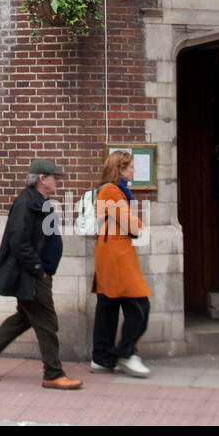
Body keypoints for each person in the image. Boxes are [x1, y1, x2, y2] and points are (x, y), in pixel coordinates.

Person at [0, 158, 82, 389]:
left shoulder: (40, 202)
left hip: (38, 273)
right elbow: (19, 242)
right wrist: (39, 270)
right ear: (42, 179)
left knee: (23, 319)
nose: (58, 181)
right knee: (47, 323)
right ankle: (53, 373)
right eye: (54, 177)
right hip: (31, 275)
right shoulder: (25, 204)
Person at [89, 149, 151, 377]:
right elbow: (132, 225)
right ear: (120, 170)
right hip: (117, 255)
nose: (134, 170)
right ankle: (125, 353)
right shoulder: (112, 192)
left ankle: (101, 357)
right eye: (130, 167)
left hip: (112, 252)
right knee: (140, 307)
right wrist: (140, 225)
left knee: (108, 307)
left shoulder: (112, 191)